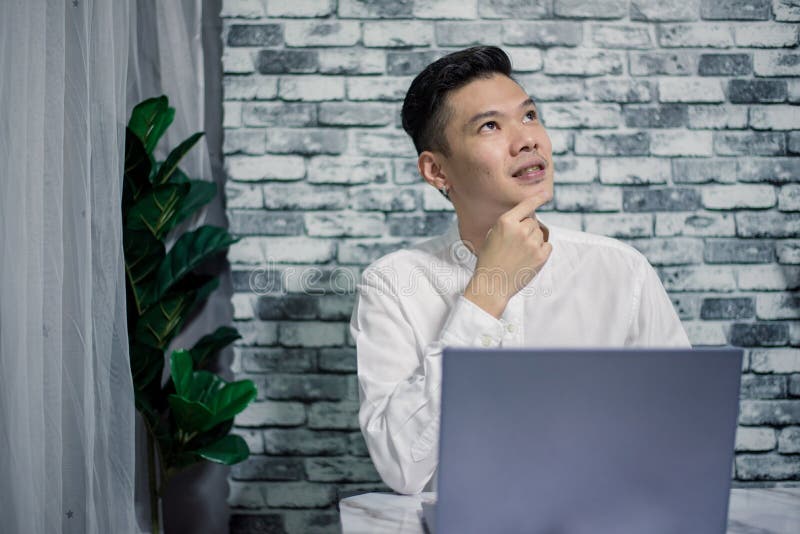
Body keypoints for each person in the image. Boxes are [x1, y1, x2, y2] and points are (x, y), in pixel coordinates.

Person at [349, 46, 691, 495]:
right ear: (436, 170)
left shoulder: (622, 271)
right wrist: (486, 295)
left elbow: (683, 437)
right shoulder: (392, 285)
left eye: (529, 116)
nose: (527, 139)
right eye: (490, 126)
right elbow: (401, 467)